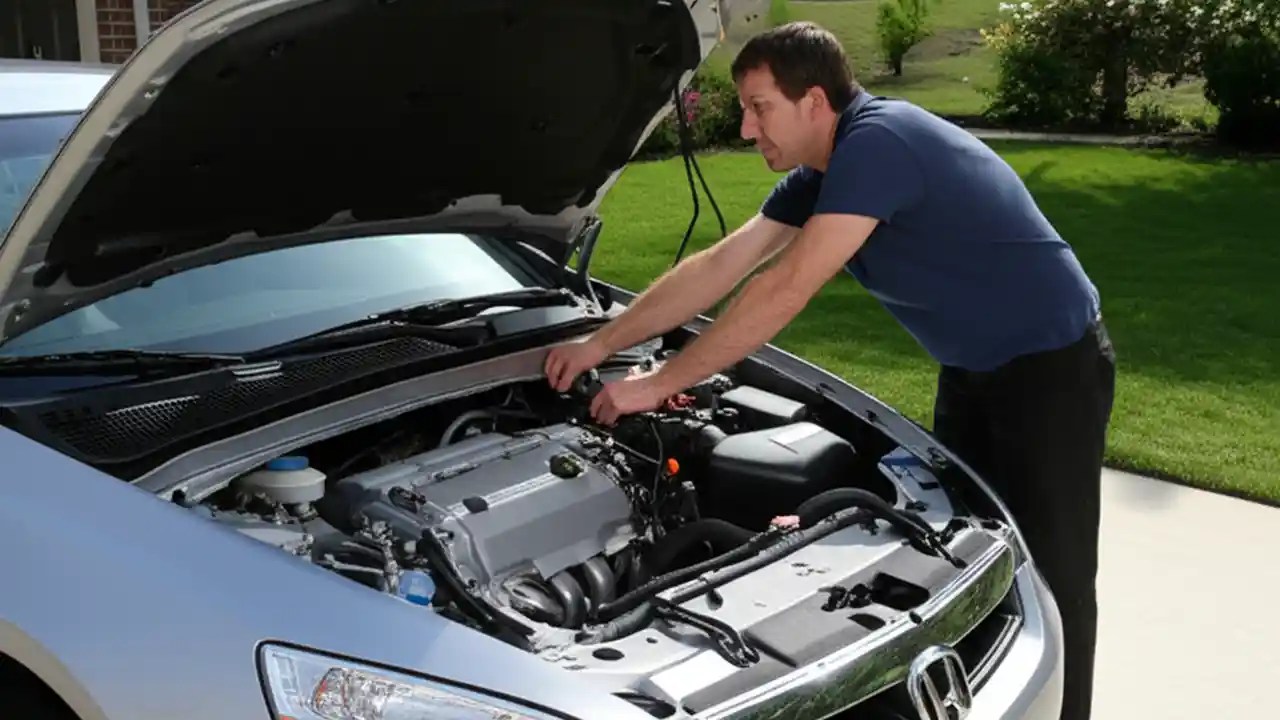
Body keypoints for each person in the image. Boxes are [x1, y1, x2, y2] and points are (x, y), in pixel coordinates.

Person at [543, 20, 1114, 720]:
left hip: (1051, 369)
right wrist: (602, 345)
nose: (748, 130)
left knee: (1053, 571)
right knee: (966, 551)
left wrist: (657, 385)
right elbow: (724, 263)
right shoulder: (824, 172)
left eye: (760, 108)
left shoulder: (878, 144)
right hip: (972, 370)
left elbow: (785, 287)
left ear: (814, 101)